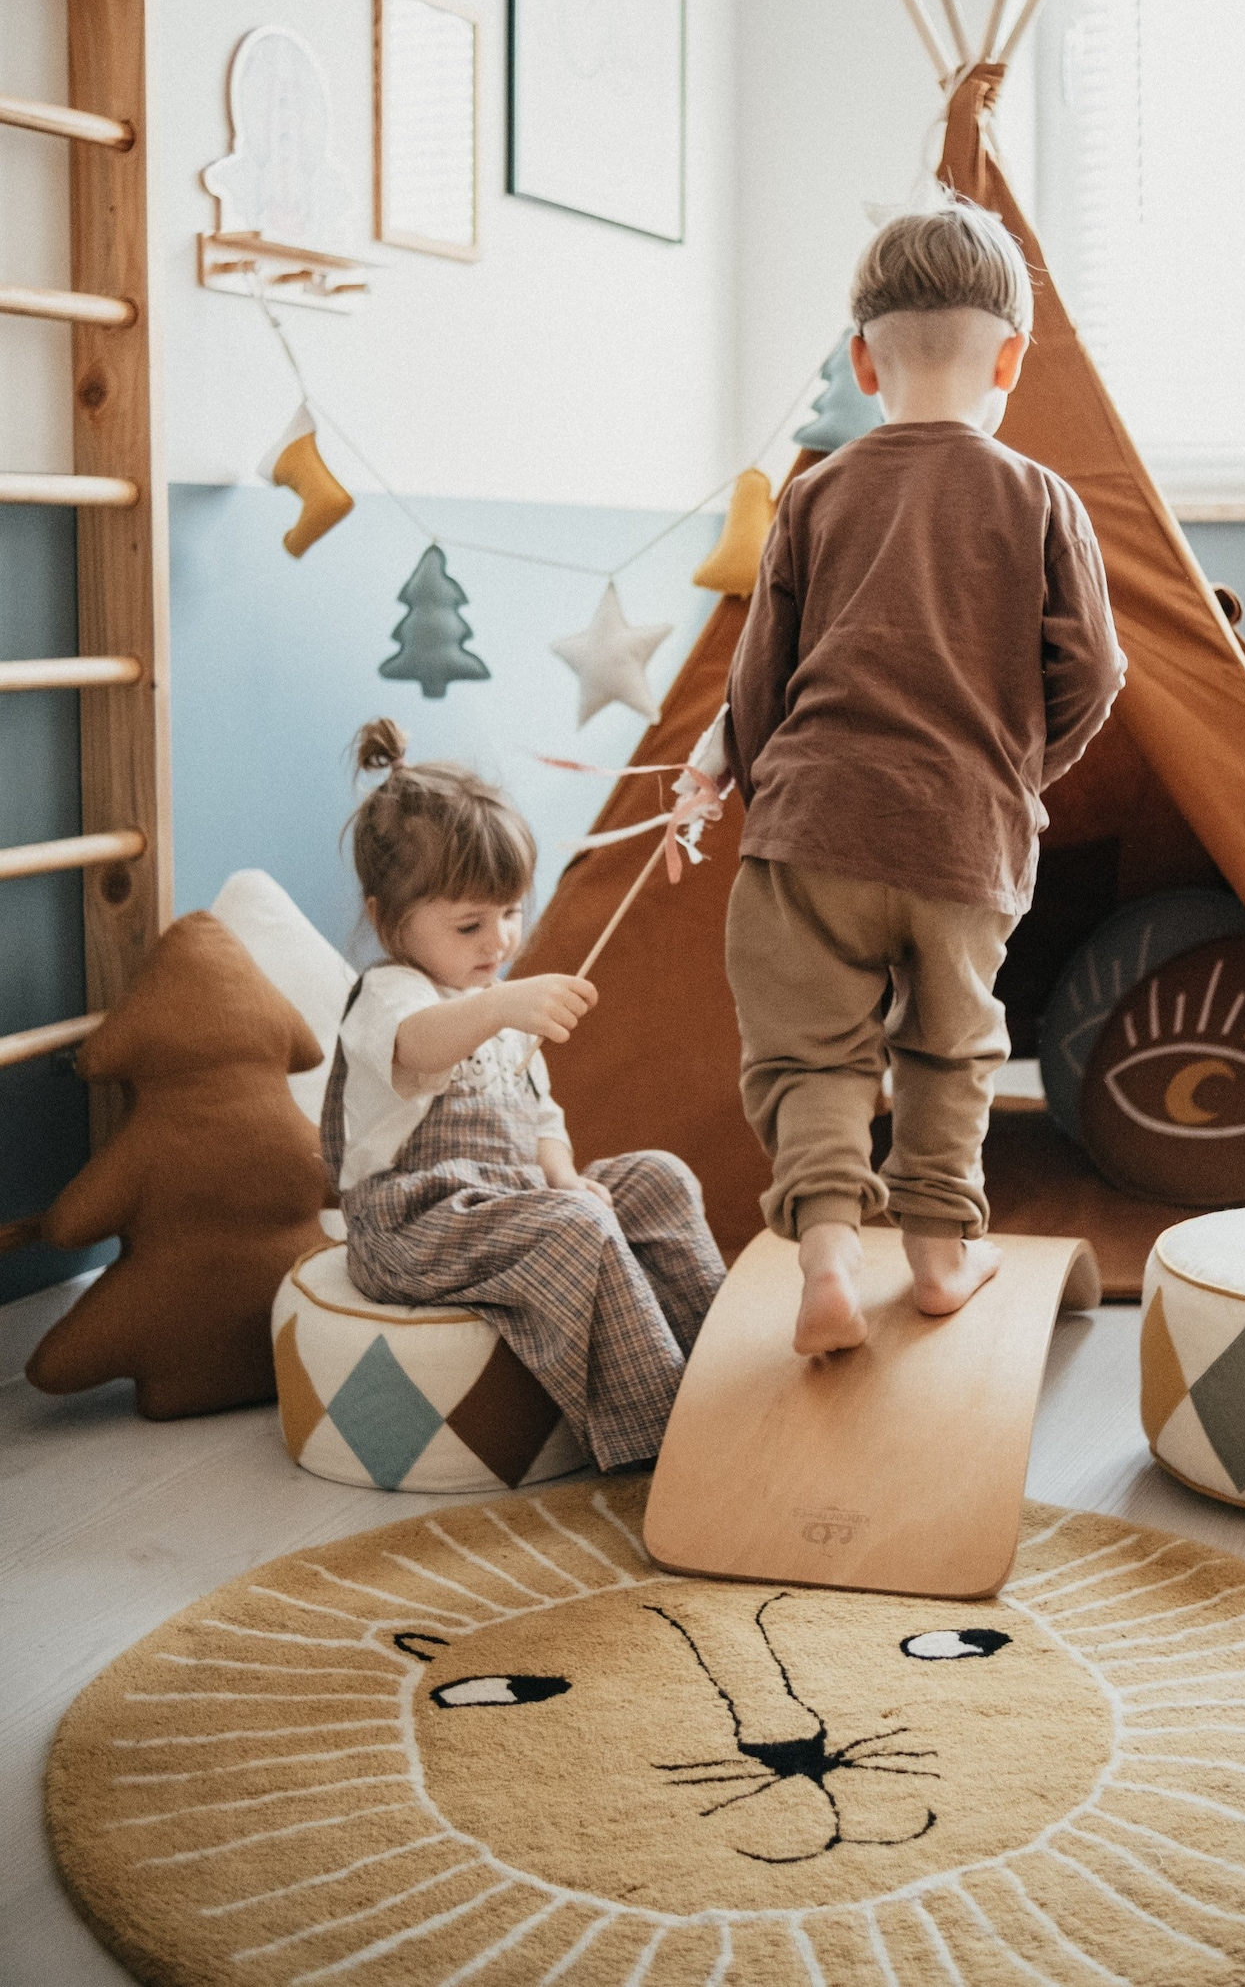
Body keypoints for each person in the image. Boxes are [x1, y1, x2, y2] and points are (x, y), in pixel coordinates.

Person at [723, 198, 1126, 1356]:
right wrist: (1020, 769)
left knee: (812, 1054)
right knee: (950, 1049)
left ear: (862, 363)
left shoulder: (815, 495)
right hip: (963, 837)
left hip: (810, 829)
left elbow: (761, 681)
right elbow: (1095, 670)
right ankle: (941, 1257)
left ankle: (829, 1259)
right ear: (1011, 359)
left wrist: (760, 787)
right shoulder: (1040, 497)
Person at [322, 720, 725, 1469]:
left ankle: (723, 1375)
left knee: (657, 1180)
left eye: (510, 913)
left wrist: (565, 1174)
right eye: (469, 924)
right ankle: (662, 1435)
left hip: (510, 1202)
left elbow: (541, 1116)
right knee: (576, 1226)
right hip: (410, 1226)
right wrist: (501, 1007)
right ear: (386, 920)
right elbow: (419, 1044)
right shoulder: (393, 994)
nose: (500, 941)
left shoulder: (494, 1005)